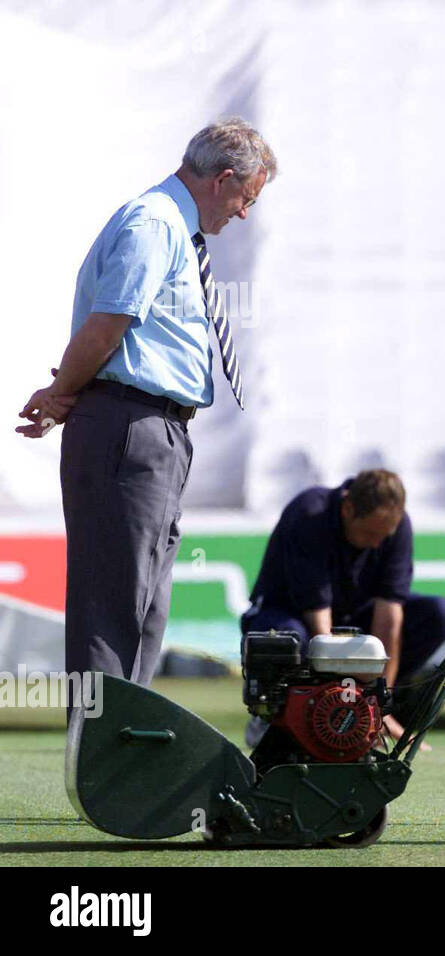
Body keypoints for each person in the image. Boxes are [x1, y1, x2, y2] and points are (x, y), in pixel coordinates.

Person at [16, 118, 275, 691]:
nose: (244, 213)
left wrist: (71, 393)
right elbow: (110, 323)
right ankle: (106, 752)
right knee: (116, 601)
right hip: (131, 426)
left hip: (147, 428)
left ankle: (126, 744)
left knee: (143, 603)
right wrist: (64, 394)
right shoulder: (156, 224)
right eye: (246, 198)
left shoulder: (171, 227)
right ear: (223, 179)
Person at [241, 469, 445, 747]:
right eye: (369, 533)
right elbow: (320, 623)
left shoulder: (397, 525)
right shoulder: (309, 514)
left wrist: (378, 707)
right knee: (290, 639)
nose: (378, 543)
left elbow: (389, 617)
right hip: (289, 615)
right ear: (348, 508)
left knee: (438, 614)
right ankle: (273, 714)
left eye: (384, 536)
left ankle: (379, 711)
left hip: (352, 617)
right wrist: (343, 704)